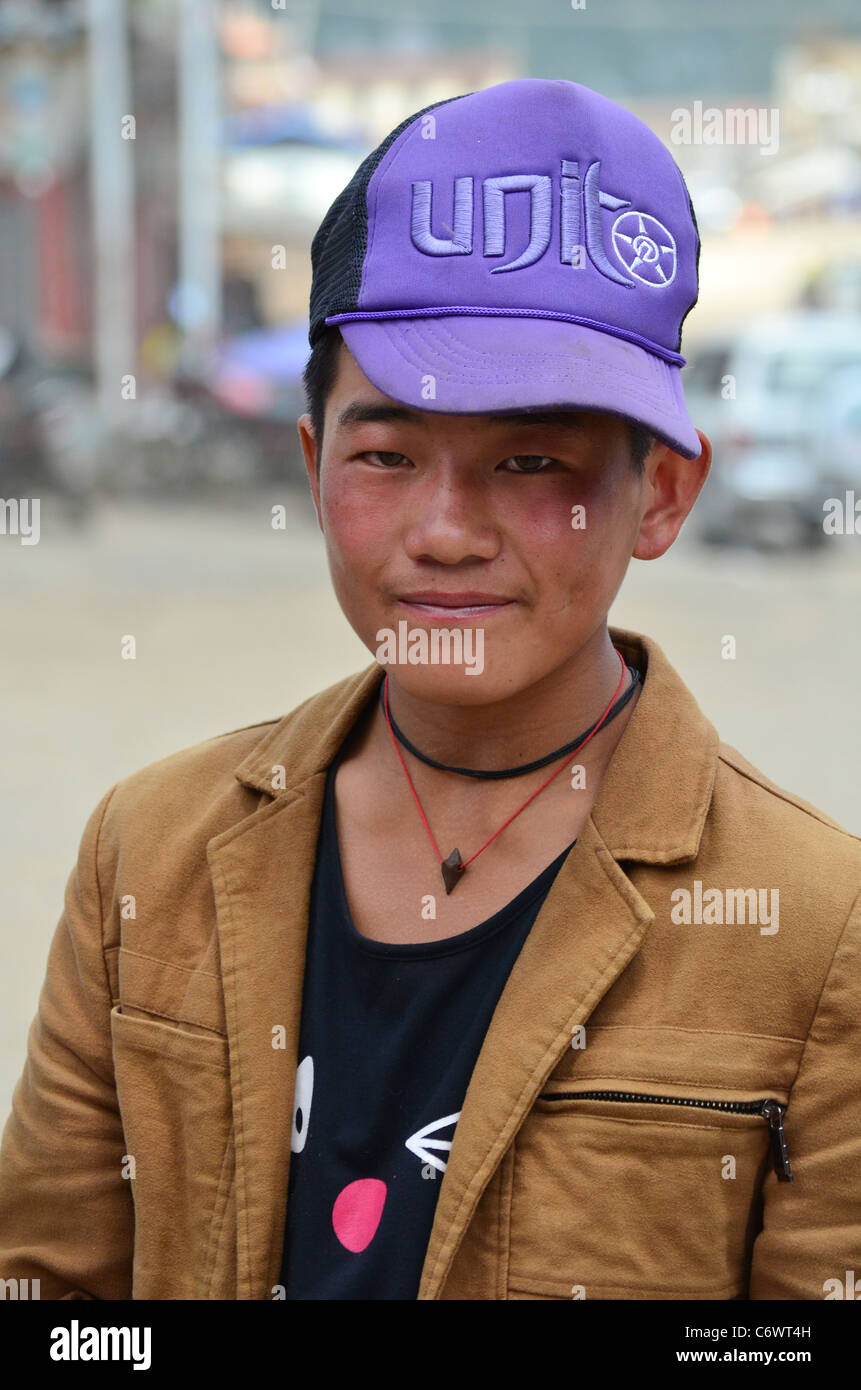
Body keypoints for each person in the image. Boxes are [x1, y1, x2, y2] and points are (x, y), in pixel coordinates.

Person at [1, 78, 859, 1303]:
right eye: (387, 455)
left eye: (528, 461)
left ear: (660, 493)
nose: (444, 531)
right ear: (312, 465)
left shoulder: (820, 933)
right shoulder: (147, 856)